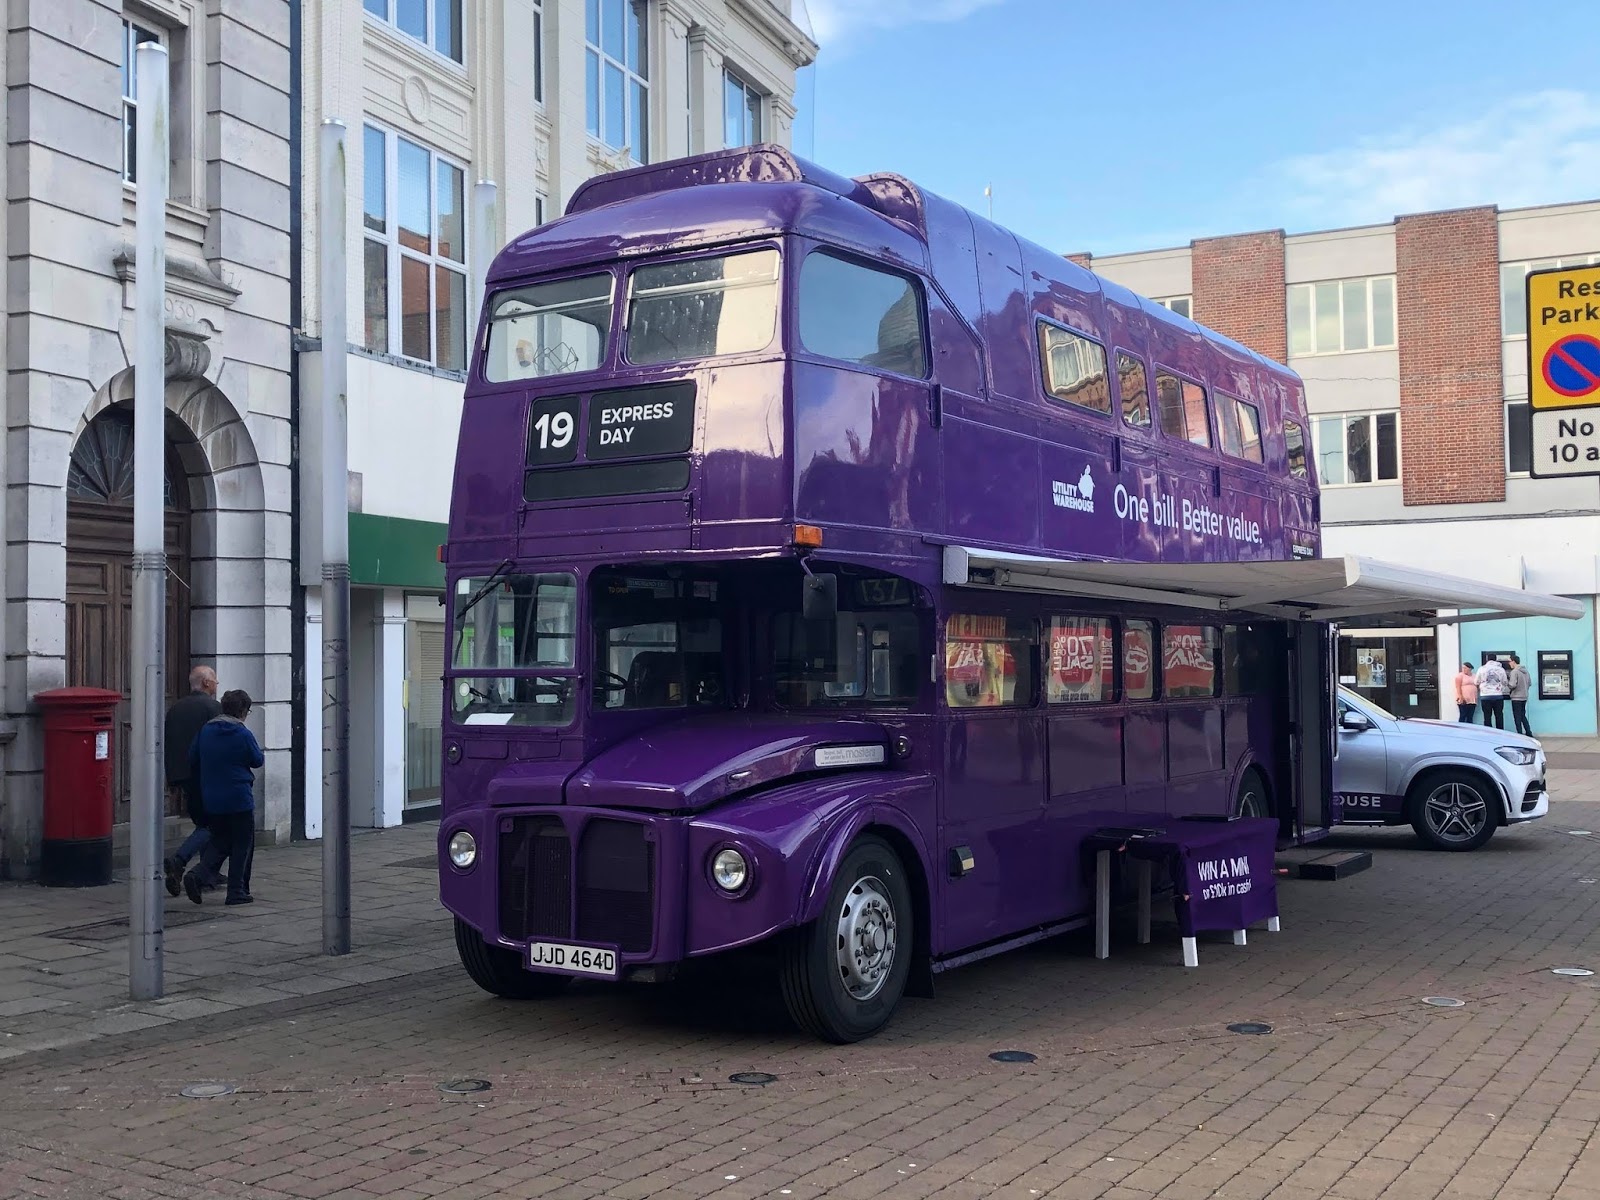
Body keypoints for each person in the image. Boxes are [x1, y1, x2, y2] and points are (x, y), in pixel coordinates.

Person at [184, 689, 263, 906]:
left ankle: (198, 875)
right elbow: (257, 760)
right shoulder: (243, 733)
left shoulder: (205, 731)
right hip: (239, 798)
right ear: (243, 711)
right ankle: (236, 891)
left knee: (219, 841)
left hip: (212, 797)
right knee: (241, 844)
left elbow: (192, 756)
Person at [163, 666, 221, 896]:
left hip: (183, 775)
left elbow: (169, 744)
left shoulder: (176, 708)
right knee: (213, 824)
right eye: (215, 680)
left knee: (202, 822)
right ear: (206, 683)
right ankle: (180, 860)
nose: (217, 685)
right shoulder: (213, 708)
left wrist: (172, 777)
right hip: (206, 775)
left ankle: (207, 874)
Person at [1475, 656, 1509, 730]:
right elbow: (1505, 682)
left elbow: (1476, 681)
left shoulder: (1481, 669)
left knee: (1487, 716)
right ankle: (1500, 733)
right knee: (1499, 716)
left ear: (1487, 659)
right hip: (1498, 696)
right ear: (1496, 659)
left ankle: (1489, 734)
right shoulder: (1501, 669)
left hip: (1485, 696)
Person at [1507, 654, 1535, 738]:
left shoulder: (1514, 672)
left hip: (1516, 697)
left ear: (1513, 661)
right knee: (1523, 715)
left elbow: (1512, 684)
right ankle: (1528, 732)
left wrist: (1506, 684)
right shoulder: (1526, 671)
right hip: (1524, 696)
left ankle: (1519, 734)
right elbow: (1529, 683)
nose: (1509, 663)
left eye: (1510, 661)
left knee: (1517, 717)